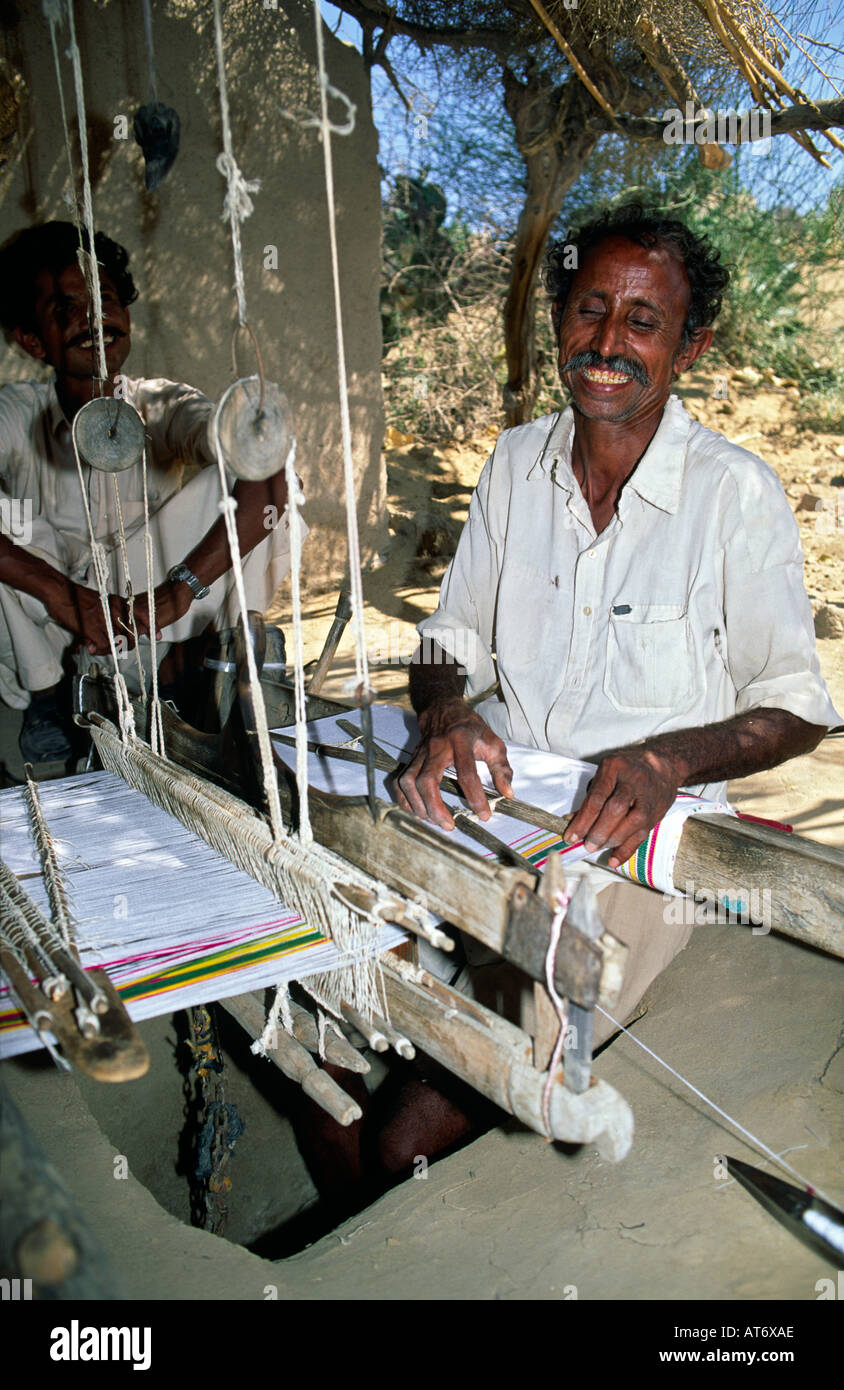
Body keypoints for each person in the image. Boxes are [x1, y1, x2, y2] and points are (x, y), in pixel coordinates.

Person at [396, 203, 840, 1045]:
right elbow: (449, 637)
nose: (606, 345)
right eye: (590, 309)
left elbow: (796, 705)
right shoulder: (513, 464)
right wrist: (447, 712)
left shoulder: (732, 494)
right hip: (497, 808)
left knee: (457, 1069)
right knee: (343, 975)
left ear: (690, 347)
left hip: (635, 849)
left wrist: (669, 760)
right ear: (559, 321)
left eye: (644, 322)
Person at [0, 222, 295, 762]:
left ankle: (215, 660)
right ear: (32, 339)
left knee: (267, 473)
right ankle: (49, 699)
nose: (93, 319)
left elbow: (268, 473)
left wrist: (178, 592)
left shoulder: (161, 404)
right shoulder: (15, 414)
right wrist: (70, 598)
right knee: (8, 519)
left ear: (126, 313)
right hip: (53, 634)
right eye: (66, 307)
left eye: (105, 299)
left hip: (152, 616)